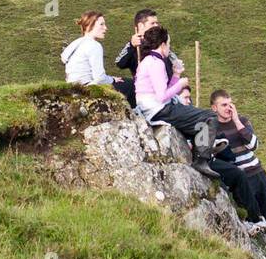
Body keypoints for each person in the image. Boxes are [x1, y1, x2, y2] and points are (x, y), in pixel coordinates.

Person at [134, 26, 217, 159]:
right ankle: (202, 159)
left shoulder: (148, 61)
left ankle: (202, 153)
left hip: (153, 108)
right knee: (210, 117)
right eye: (168, 44)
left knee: (201, 121)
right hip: (159, 109)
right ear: (162, 45)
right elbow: (162, 96)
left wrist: (176, 74)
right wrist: (180, 85)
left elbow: (165, 92)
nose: (169, 47)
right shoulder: (156, 63)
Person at [208, 88, 266, 235]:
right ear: (214, 108)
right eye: (223, 105)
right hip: (242, 179)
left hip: (258, 173)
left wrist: (236, 122)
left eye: (230, 104)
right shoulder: (212, 127)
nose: (228, 108)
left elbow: (254, 145)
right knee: (253, 218)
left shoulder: (243, 121)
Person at [61, 12, 135, 106]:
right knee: (130, 85)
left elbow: (63, 58)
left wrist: (110, 79)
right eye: (101, 24)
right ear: (89, 26)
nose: (105, 28)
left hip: (72, 88)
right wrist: (112, 80)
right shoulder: (94, 45)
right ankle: (136, 116)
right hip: (86, 88)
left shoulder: (76, 43)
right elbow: (99, 78)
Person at [116, 9, 186, 96]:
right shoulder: (135, 45)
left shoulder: (160, 42)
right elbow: (119, 62)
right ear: (141, 26)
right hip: (148, 94)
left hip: (168, 88)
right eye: (152, 23)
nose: (156, 26)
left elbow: (171, 61)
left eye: (157, 23)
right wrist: (131, 45)